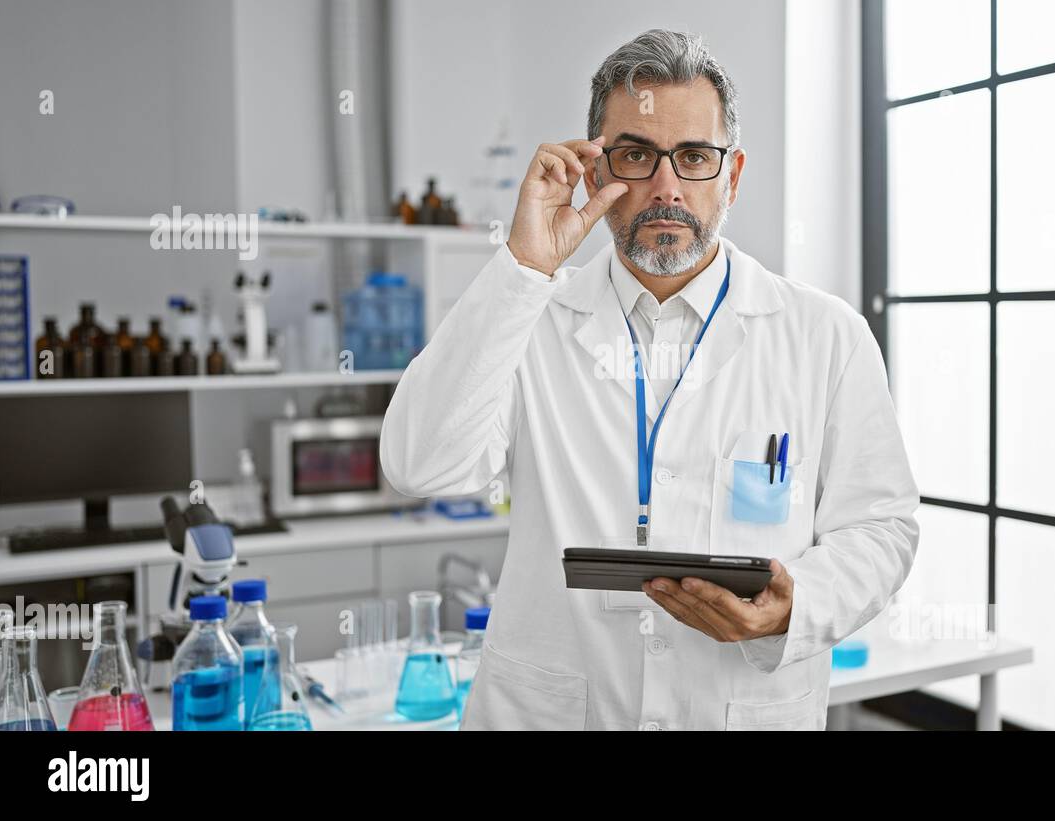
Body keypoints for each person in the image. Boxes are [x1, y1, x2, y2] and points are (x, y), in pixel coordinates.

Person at [381, 28, 919, 730]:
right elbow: (419, 463)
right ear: (596, 171)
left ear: (732, 174)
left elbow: (881, 526)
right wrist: (522, 267)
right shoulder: (529, 317)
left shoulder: (826, 336)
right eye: (636, 154)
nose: (666, 188)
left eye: (694, 156)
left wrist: (798, 602)